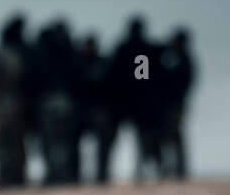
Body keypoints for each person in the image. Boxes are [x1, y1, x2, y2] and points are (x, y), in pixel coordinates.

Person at [110, 15, 163, 181]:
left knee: (143, 137)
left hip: (132, 101)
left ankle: (141, 169)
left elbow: (115, 76)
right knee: (145, 137)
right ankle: (144, 168)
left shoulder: (124, 49)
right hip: (144, 101)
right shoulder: (149, 49)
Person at [33, 20, 80, 185]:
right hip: (65, 100)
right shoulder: (70, 51)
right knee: (64, 141)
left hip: (48, 100)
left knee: (51, 140)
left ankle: (54, 174)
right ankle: (64, 174)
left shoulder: (43, 52)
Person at [0, 15, 29, 187]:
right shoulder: (21, 53)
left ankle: (6, 175)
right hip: (16, 103)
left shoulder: (0, 54)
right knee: (16, 142)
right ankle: (17, 175)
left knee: (4, 142)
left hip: (1, 104)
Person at [74, 34, 116, 184]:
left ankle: (102, 175)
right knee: (75, 146)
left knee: (103, 147)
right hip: (82, 110)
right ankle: (76, 175)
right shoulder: (78, 64)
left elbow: (112, 88)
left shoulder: (103, 63)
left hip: (100, 110)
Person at [157, 27, 195, 179]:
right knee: (172, 137)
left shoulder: (181, 59)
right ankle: (175, 170)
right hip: (174, 104)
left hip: (174, 104)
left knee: (172, 136)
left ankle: (176, 170)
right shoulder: (181, 58)